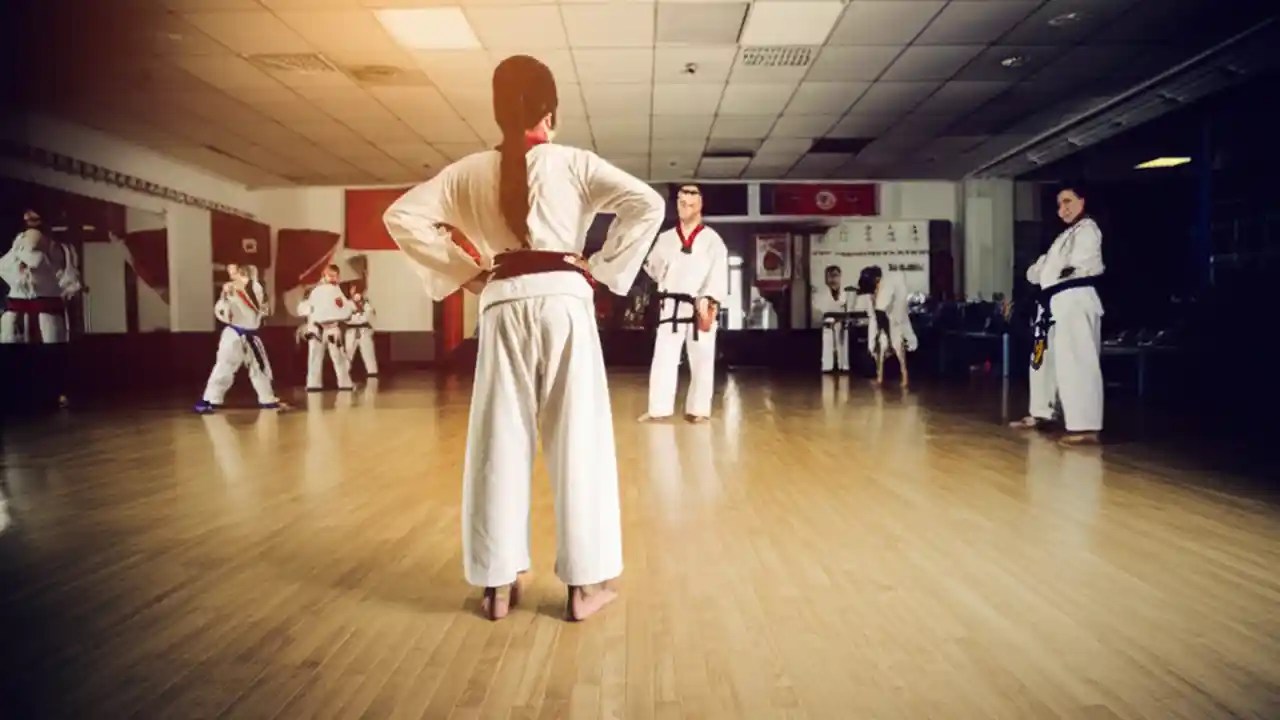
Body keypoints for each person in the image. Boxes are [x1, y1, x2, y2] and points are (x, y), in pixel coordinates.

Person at [382, 55, 665, 622]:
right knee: (577, 440)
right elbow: (648, 204)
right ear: (551, 112)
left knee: (498, 441)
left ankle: (497, 584)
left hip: (504, 301)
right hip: (564, 301)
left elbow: (402, 216)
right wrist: (602, 267)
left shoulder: (467, 172)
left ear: (498, 112)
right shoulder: (575, 163)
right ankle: (584, 588)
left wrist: (467, 272)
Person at [1010, 184, 1105, 446]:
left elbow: (1074, 267)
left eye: (1068, 202)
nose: (1062, 209)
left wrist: (1051, 271)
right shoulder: (1062, 237)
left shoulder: (1089, 230)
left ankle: (1085, 426)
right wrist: (1049, 271)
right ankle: (1042, 413)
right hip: (1052, 302)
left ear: (1083, 201)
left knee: (1077, 362)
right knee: (1041, 360)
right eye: (1059, 204)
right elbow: (1035, 273)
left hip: (1075, 299)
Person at [638, 184, 728, 423]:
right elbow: (652, 268)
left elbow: (719, 273)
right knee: (663, 358)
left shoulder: (712, 240)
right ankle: (658, 408)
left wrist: (708, 298)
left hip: (701, 305)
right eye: (681, 203)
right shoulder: (666, 238)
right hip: (672, 303)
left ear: (700, 205)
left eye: (690, 204)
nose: (685, 208)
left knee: (702, 359)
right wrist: (665, 274)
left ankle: (699, 410)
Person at [0, 209, 82, 409]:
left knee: (53, 347)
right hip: (18, 304)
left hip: (47, 303)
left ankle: (55, 391)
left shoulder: (60, 249)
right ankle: (19, 391)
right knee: (14, 344)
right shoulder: (17, 246)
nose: (31, 220)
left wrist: (65, 288)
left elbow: (69, 279)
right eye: (27, 217)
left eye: (35, 217)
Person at [194, 264, 285, 413]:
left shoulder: (254, 288)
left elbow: (263, 310)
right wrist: (225, 296)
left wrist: (231, 291)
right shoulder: (232, 288)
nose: (231, 275)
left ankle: (267, 398)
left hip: (250, 334)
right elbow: (222, 311)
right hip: (234, 333)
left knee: (259, 368)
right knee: (225, 366)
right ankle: (211, 399)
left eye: (234, 272)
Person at [296, 264, 354, 392]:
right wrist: (311, 313)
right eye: (330, 275)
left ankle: (345, 384)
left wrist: (348, 310)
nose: (333, 278)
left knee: (338, 357)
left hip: (332, 327)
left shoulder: (337, 290)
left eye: (335, 276)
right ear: (324, 275)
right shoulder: (313, 290)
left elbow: (345, 309)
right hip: (317, 328)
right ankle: (313, 385)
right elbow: (302, 309)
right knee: (314, 357)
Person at [858, 265, 918, 388]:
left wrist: (889, 336)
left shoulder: (889, 286)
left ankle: (904, 375)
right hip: (884, 321)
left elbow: (883, 312)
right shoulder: (873, 293)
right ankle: (879, 376)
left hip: (894, 321)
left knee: (897, 347)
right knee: (879, 348)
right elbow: (875, 316)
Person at [813, 264, 851, 373]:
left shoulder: (845, 293)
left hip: (842, 324)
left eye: (835, 276)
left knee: (842, 347)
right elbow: (819, 310)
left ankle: (843, 366)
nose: (833, 279)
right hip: (828, 324)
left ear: (840, 277)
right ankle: (828, 367)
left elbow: (849, 309)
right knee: (828, 347)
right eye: (830, 276)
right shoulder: (821, 295)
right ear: (826, 278)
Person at [344, 284, 378, 377]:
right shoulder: (346, 303)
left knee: (368, 353)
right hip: (351, 331)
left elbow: (368, 317)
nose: (354, 292)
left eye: (356, 290)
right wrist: (358, 316)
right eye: (352, 290)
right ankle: (344, 373)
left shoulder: (366, 304)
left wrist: (358, 315)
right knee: (348, 353)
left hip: (364, 330)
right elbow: (346, 318)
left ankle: (372, 373)